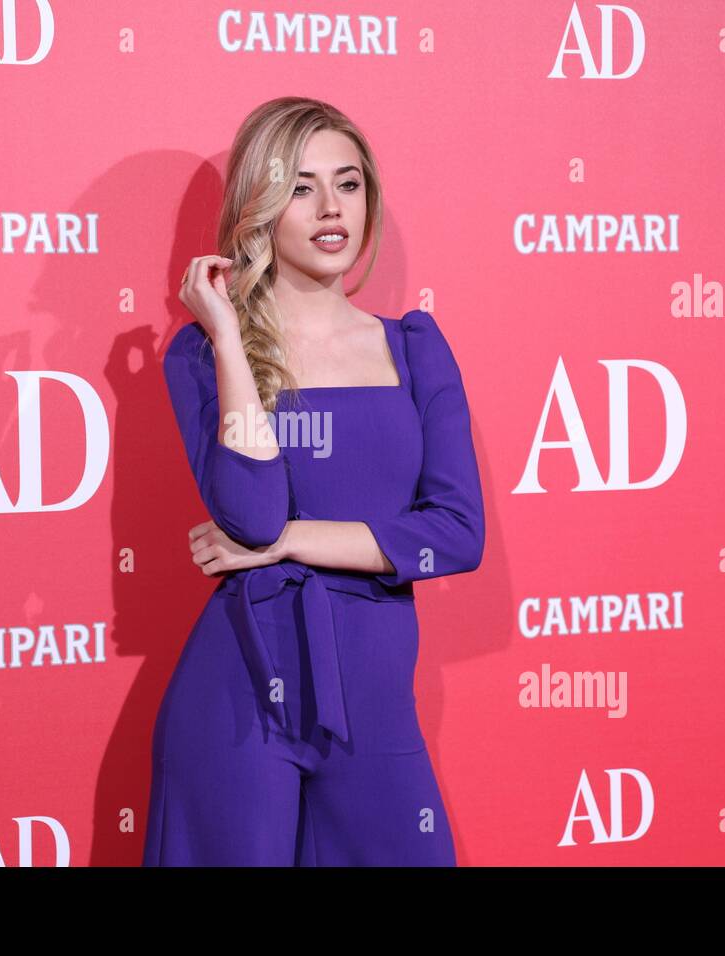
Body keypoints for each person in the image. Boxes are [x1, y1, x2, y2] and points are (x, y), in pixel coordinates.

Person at [143, 96, 485, 866]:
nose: (333, 209)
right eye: (301, 187)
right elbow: (252, 513)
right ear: (260, 205)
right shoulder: (202, 357)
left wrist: (291, 543)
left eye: (349, 183)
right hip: (239, 697)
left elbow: (458, 535)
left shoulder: (415, 348)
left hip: (371, 705)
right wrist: (231, 338)